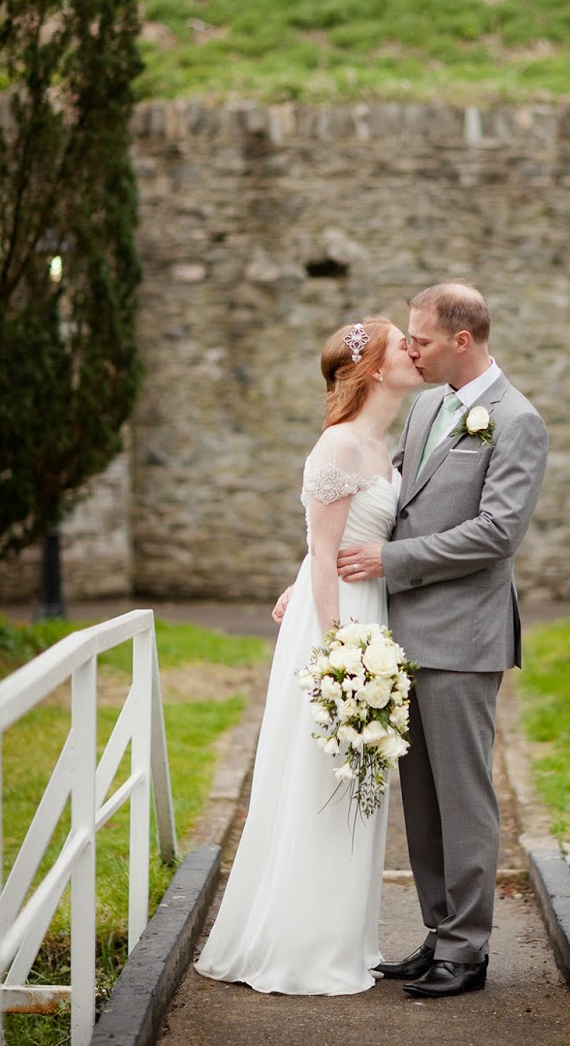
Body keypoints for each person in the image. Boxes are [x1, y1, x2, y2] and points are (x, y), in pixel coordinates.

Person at [193, 315, 422, 994]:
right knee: (324, 777)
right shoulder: (338, 447)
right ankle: (300, 945)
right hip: (341, 624)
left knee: (362, 781)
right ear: (375, 368)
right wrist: (339, 650)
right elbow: (322, 550)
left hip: (369, 612)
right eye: (400, 343)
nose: (413, 348)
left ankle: (345, 937)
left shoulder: (384, 443)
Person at [336, 282, 548, 998]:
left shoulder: (518, 421)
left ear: (463, 340)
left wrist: (391, 562)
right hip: (404, 634)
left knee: (463, 798)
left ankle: (469, 948)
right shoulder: (427, 406)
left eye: (421, 339)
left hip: (464, 635)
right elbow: (391, 501)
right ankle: (438, 931)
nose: (412, 349)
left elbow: (497, 532)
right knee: (419, 797)